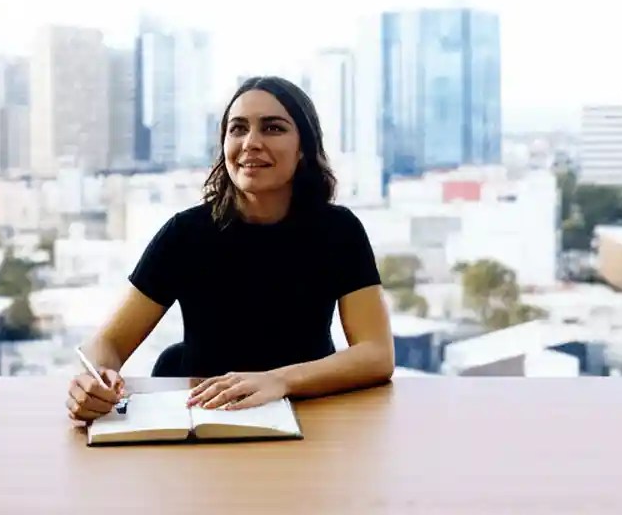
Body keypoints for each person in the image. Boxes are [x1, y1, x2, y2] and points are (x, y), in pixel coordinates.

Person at [67, 76, 394, 424]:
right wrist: (94, 379)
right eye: (238, 129)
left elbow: (376, 354)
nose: (251, 142)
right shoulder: (186, 233)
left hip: (308, 415)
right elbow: (108, 344)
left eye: (273, 128)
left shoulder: (338, 230)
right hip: (203, 421)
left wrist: (279, 380)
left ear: (303, 148)